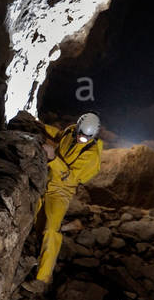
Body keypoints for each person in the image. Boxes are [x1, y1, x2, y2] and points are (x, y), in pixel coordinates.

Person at [32, 112, 103, 284]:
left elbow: (70, 177)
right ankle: (32, 252)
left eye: (86, 138)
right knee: (35, 220)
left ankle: (42, 277)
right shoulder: (72, 131)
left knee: (51, 229)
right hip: (47, 179)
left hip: (61, 191)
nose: (81, 139)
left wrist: (53, 158)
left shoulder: (91, 155)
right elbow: (59, 135)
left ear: (93, 136)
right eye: (80, 134)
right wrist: (39, 125)